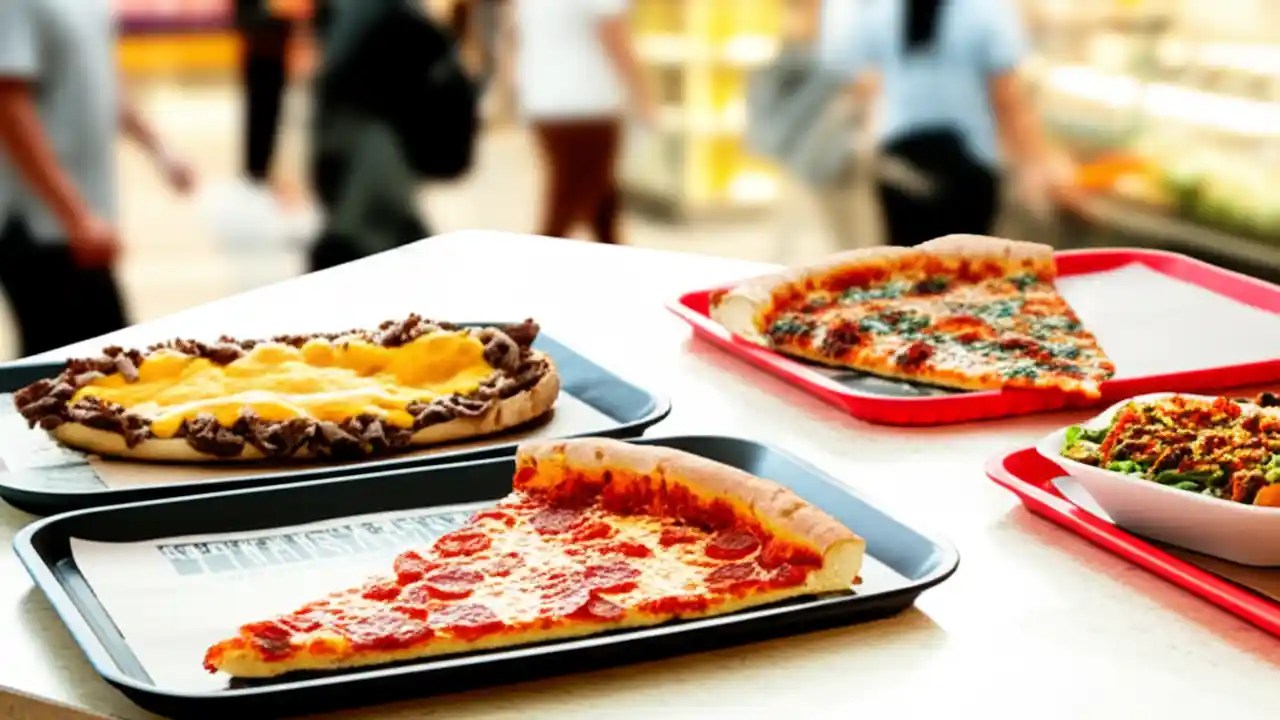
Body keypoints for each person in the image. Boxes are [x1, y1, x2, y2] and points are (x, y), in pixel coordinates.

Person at [0, 0, 194, 357]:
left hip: (80, 219)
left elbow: (103, 80)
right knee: (75, 366)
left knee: (96, 363)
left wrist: (158, 147)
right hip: (37, 223)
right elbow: (9, 104)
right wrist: (75, 216)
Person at [823, 0, 1078, 247]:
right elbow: (1007, 96)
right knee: (968, 268)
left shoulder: (883, 8)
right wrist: (1039, 161)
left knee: (905, 264)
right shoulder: (986, 7)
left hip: (897, 160)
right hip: (968, 164)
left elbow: (856, 76)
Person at [511, 0, 657, 245]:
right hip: (585, 105)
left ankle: (618, 265)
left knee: (601, 201)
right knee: (567, 206)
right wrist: (643, 95)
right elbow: (615, 36)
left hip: (545, 99)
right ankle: (530, 271)